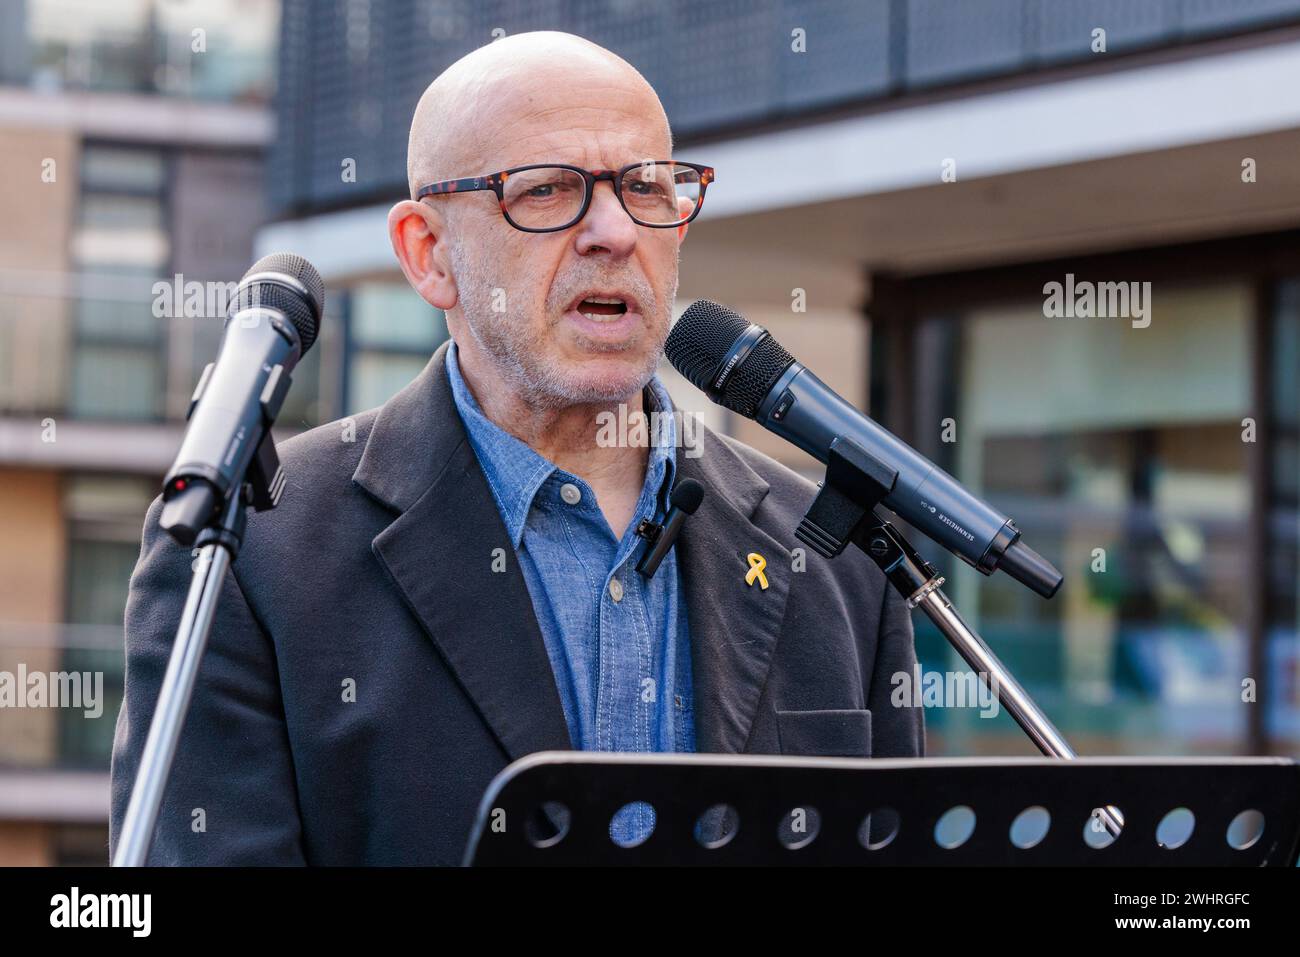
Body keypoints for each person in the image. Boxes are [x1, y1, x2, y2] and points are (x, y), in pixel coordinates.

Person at [110, 31, 923, 865]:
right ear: (430, 255)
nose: (614, 231)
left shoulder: (831, 552)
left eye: (646, 186)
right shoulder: (248, 554)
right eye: (547, 191)